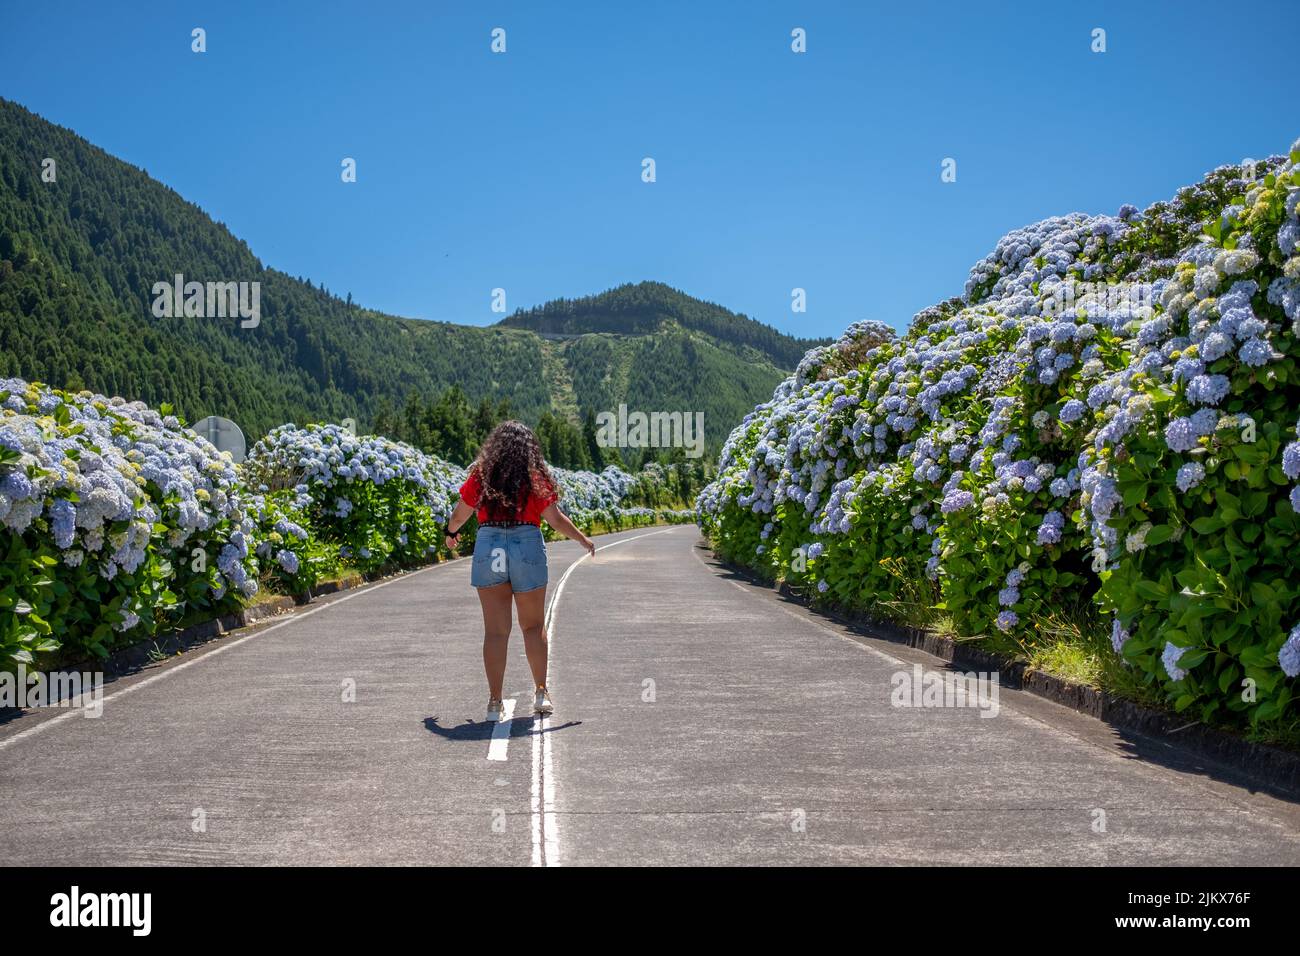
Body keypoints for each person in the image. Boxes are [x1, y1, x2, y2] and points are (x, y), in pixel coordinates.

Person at [443, 420, 596, 722]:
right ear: (529, 448)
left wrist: (450, 533)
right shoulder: (534, 475)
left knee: (496, 632)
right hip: (526, 542)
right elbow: (554, 517)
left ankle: (494, 703)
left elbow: (462, 512)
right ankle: (540, 693)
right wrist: (582, 538)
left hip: (490, 545)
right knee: (532, 627)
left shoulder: (482, 473)